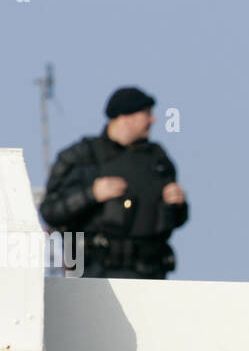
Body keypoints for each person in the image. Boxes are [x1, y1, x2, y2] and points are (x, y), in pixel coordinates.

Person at [40, 86, 187, 279]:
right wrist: (92, 194)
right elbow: (50, 211)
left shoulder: (158, 160)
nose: (153, 120)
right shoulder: (81, 157)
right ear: (124, 116)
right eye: (146, 114)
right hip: (94, 277)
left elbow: (177, 219)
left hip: (150, 276)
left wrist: (178, 204)